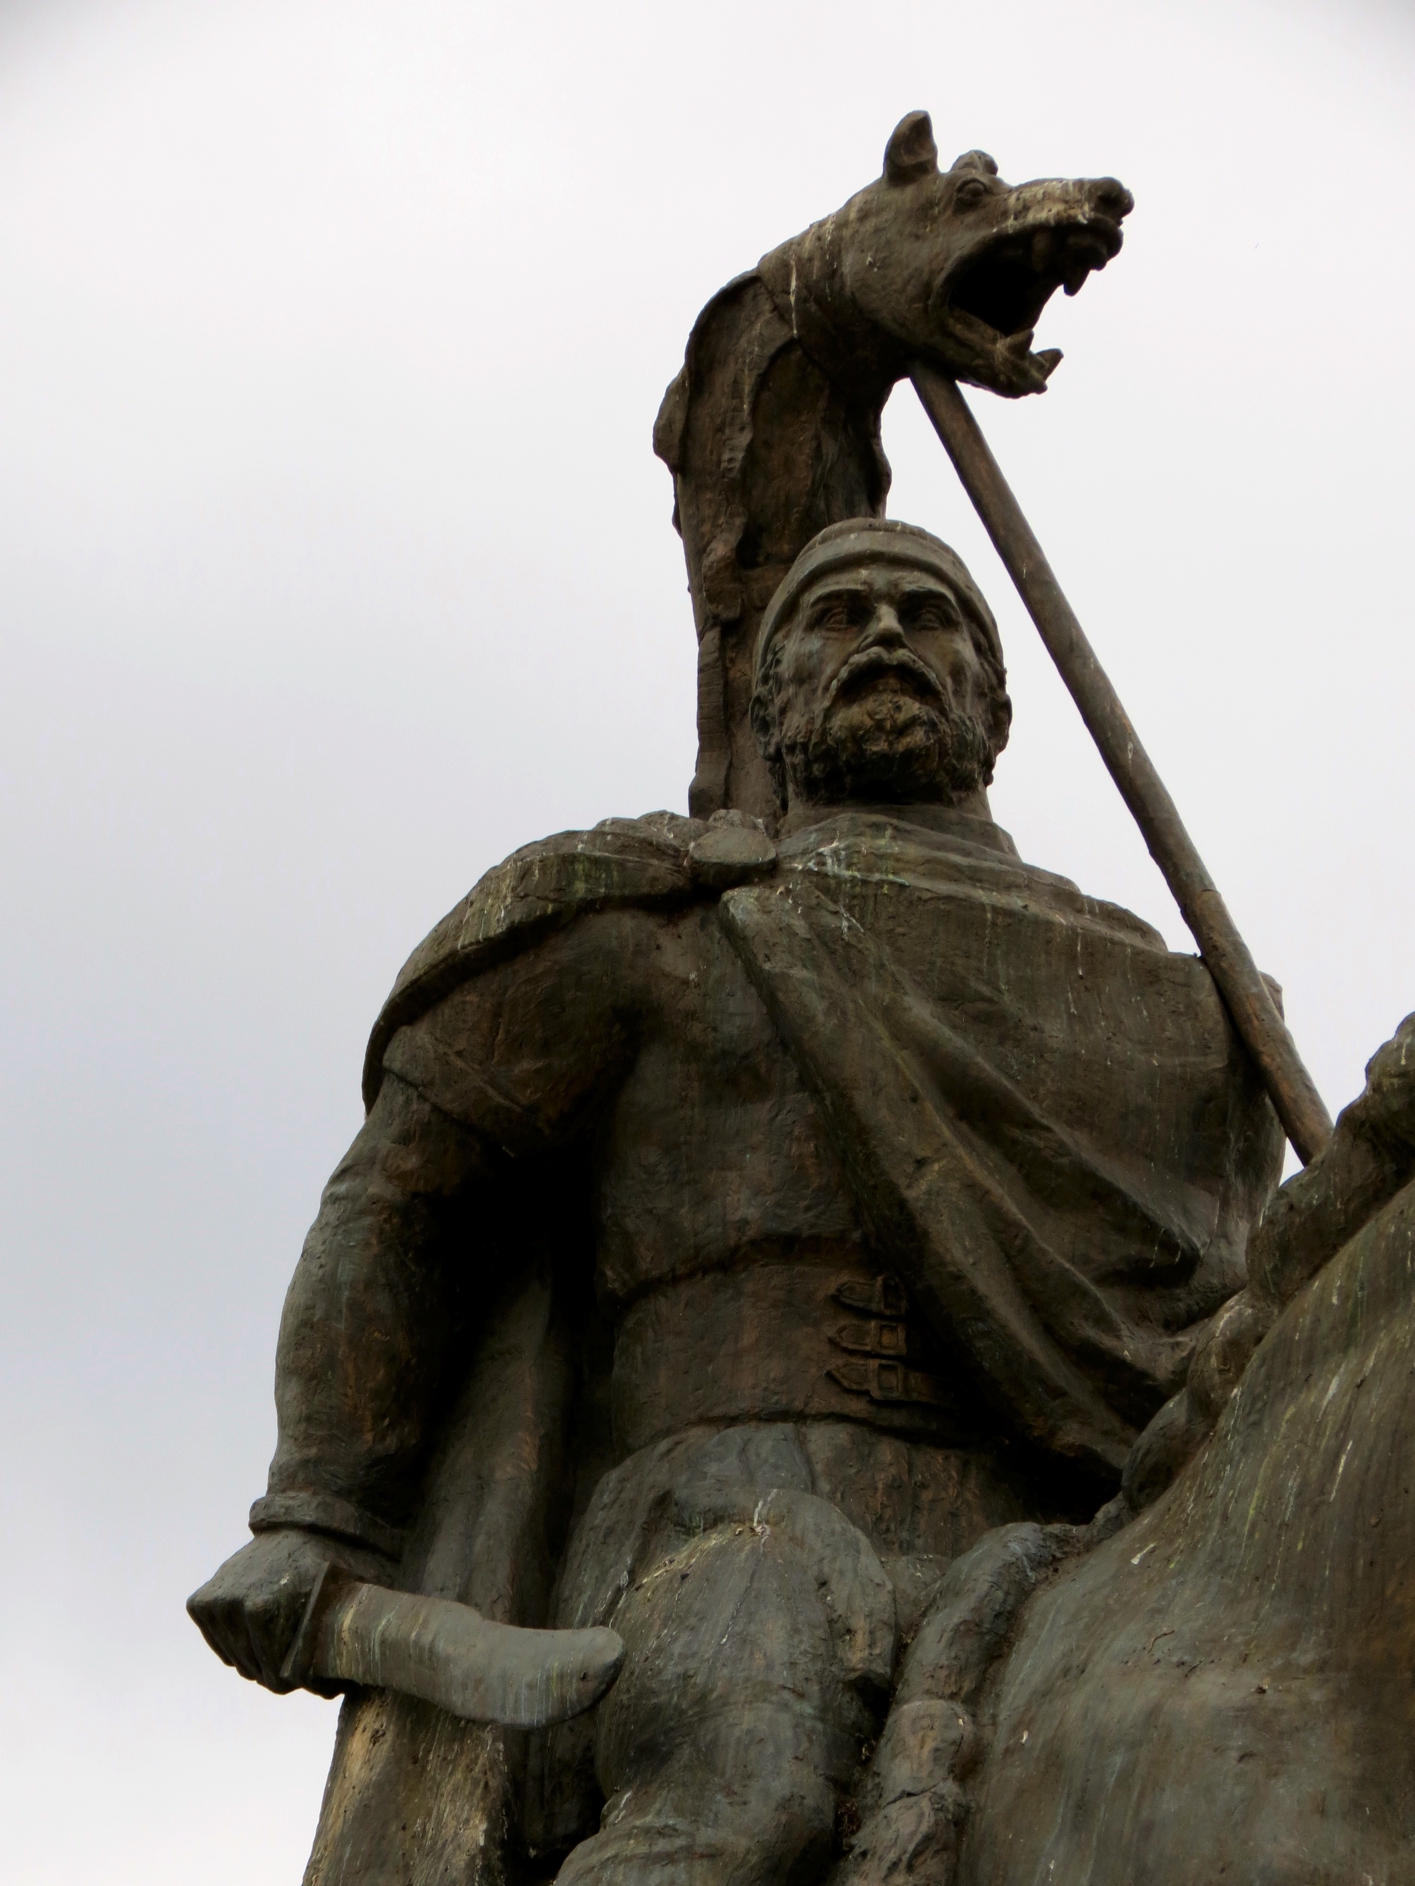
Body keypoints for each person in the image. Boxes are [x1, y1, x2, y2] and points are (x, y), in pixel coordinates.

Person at [190, 518, 1281, 1885]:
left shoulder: (1176, 1004)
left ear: (998, 703)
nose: (887, 634)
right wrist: (320, 1505)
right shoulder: (658, 920)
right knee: (746, 1775)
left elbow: (1236, 1338)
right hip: (715, 1530)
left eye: (930, 616)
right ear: (768, 706)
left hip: (1071, 1547)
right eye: (836, 616)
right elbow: (408, 1195)